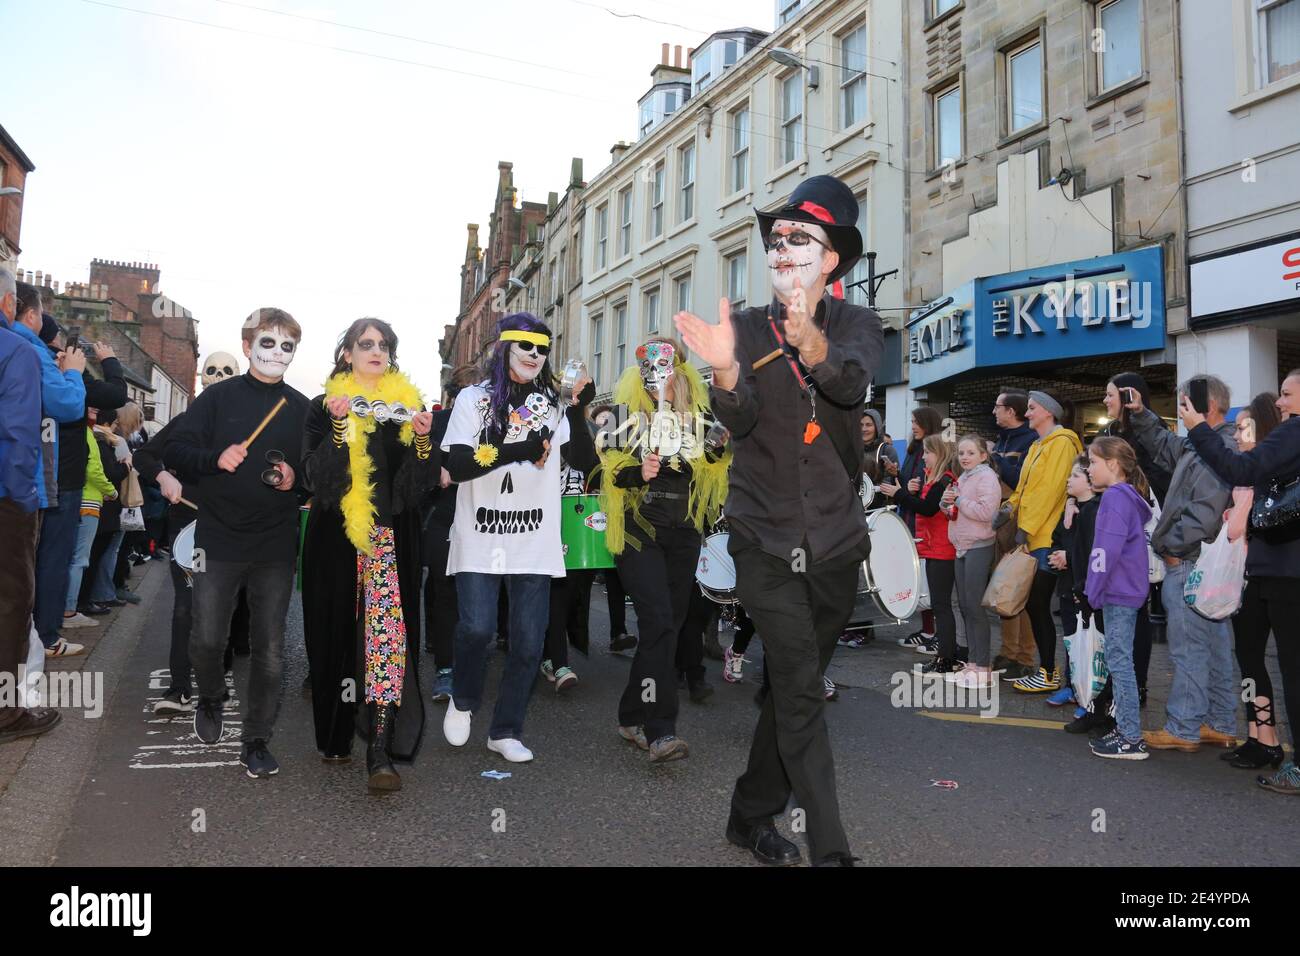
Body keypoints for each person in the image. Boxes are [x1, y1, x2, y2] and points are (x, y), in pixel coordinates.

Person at [676, 173, 882, 867]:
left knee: (791, 693)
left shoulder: (857, 325)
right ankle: (834, 854)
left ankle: (747, 815)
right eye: (776, 238)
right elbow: (740, 421)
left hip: (834, 544)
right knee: (800, 693)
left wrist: (814, 348)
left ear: (831, 260)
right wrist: (727, 374)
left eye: (801, 237)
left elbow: (852, 386)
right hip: (762, 539)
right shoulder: (741, 328)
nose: (783, 245)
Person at [439, 312, 596, 764]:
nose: (534, 355)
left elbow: (583, 461)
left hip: (533, 537)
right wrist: (522, 449)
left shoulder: (554, 402)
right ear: (505, 346)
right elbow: (461, 465)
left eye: (542, 348)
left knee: (529, 640)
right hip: (479, 533)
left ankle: (505, 729)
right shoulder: (475, 398)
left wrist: (579, 410)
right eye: (525, 345)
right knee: (477, 627)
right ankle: (463, 697)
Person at [164, 308, 310, 778]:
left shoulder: (302, 408)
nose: (277, 354)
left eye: (287, 346)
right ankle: (210, 695)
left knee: (269, 649)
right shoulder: (217, 399)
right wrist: (215, 457)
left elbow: (318, 474)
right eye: (268, 343)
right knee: (207, 637)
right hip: (219, 538)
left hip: (274, 543)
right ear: (248, 346)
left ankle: (256, 739)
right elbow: (176, 451)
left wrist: (296, 481)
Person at [301, 319, 437, 792]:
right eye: (366, 344)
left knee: (387, 644)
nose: (376, 351)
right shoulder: (324, 407)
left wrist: (422, 441)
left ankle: (379, 751)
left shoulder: (406, 407)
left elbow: (420, 489)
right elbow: (317, 481)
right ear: (347, 355)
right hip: (337, 540)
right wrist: (338, 430)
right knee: (336, 637)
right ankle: (338, 736)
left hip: (390, 539)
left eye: (384, 345)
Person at [596, 336, 731, 760]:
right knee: (657, 620)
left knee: (667, 625)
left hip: (685, 531)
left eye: (668, 365)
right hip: (640, 530)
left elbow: (713, 470)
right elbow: (608, 472)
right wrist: (639, 470)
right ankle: (660, 730)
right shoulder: (623, 414)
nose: (659, 374)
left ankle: (631, 714)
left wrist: (717, 449)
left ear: (681, 371)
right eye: (650, 365)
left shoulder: (698, 417)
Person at [1183, 370, 1300, 795]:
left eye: (1288, 394)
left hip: (1286, 574)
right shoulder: (1274, 455)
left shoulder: (1289, 438)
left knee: (1291, 671)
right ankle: (1262, 737)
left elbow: (1239, 474)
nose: (1282, 401)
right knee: (1252, 660)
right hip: (1259, 576)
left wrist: (1199, 429)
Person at [1123, 377, 1238, 754]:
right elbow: (1165, 446)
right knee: (1216, 647)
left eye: (1186, 403)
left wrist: (1172, 548)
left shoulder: (1215, 446)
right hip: (1204, 564)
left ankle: (1184, 727)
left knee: (1189, 649)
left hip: (1188, 561)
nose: (1181, 408)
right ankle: (1219, 722)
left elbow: (1204, 511)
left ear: (1207, 407)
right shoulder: (1208, 443)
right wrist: (1141, 414)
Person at [0, 268, 61, 744]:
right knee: (10, 602)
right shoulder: (17, 350)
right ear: (8, 303)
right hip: (6, 499)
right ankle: (5, 712)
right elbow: (21, 437)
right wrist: (26, 504)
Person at [996, 391, 1082, 692]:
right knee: (1036, 604)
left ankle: (1049, 673)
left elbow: (1049, 492)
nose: (1027, 413)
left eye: (1032, 408)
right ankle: (1050, 672)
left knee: (1037, 603)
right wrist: (1007, 511)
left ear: (1048, 412)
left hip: (1047, 537)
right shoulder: (1037, 445)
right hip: (1035, 535)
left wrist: (1024, 529)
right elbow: (1024, 488)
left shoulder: (1061, 445)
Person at [1219, 394, 1284, 770]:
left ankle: (1269, 740)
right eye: (1237, 428)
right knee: (1248, 660)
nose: (1239, 436)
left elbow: (1238, 526)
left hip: (1271, 578)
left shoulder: (1271, 474)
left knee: (1265, 663)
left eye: (1245, 428)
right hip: (1245, 579)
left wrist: (1235, 512)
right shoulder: (1246, 476)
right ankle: (1259, 736)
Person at [1084, 437, 1153, 760]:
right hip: (1126, 590)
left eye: (1092, 462)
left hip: (1118, 591)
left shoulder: (1114, 497)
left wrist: (1092, 589)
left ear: (1112, 465)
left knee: (1120, 661)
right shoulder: (1127, 497)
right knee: (1120, 659)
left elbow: (1104, 551)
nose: (1088, 469)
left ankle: (1130, 736)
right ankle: (1126, 728)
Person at [423, 364, 478, 704]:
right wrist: (436, 470)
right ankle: (445, 669)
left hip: (483, 520)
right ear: (454, 396)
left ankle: (470, 663)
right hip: (444, 516)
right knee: (444, 591)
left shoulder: (492, 426)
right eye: (464, 395)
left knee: (475, 596)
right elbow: (418, 471)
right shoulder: (438, 425)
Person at [881, 435, 958, 668]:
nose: (923, 457)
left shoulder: (945, 480)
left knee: (942, 606)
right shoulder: (932, 479)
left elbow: (928, 509)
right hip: (933, 547)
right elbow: (923, 506)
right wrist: (910, 493)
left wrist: (901, 494)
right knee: (939, 604)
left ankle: (946, 658)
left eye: (927, 452)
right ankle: (944, 655)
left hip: (942, 549)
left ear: (939, 453)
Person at [944, 434, 1001, 688]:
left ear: (983, 455)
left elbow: (986, 512)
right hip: (961, 546)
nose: (964, 457)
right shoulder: (964, 478)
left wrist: (958, 500)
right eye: (961, 453)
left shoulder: (987, 477)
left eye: (970, 453)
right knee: (966, 606)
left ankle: (983, 667)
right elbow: (956, 510)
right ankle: (973, 663)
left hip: (978, 546)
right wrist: (947, 505)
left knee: (976, 608)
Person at [988, 389, 1038, 679]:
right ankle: (1008, 652)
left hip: (1017, 522)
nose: (994, 411)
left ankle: (1025, 656)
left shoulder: (1031, 440)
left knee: (1020, 587)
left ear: (1012, 411)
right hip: (998, 521)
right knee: (1001, 587)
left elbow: (1020, 479)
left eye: (998, 406)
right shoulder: (1003, 439)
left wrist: (996, 458)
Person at [61, 414, 122, 628]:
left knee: (67, 558)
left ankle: (62, 607)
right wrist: (112, 491)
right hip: (90, 502)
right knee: (80, 559)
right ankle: (69, 610)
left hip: (72, 500)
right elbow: (94, 470)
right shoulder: (88, 435)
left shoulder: (73, 430)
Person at [892, 406, 944, 650]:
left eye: (916, 421)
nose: (912, 425)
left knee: (929, 582)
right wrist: (900, 479)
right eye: (911, 421)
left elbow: (928, 495)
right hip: (910, 518)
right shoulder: (914, 449)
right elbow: (909, 483)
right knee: (920, 580)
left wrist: (905, 491)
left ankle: (936, 634)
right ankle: (927, 631)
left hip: (926, 526)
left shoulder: (936, 451)